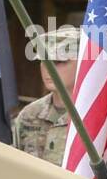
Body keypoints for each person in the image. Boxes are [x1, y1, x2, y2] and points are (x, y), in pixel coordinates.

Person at [12, 25, 80, 165]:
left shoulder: (94, 115)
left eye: (59, 62)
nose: (49, 69)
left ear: (82, 64)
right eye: (45, 61)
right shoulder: (30, 114)